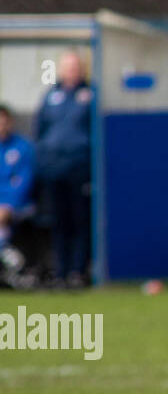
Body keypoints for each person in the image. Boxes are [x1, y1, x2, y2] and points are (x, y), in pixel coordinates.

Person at [34, 50, 95, 287]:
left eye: (75, 66)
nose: (72, 70)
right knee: (59, 223)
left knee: (79, 221)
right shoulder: (51, 95)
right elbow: (41, 130)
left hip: (79, 169)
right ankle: (60, 272)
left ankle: (78, 272)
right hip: (53, 170)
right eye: (68, 66)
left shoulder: (89, 95)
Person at [0, 104, 35, 276]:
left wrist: (9, 205)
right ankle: (7, 256)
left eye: (3, 121)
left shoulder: (23, 148)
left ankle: (12, 264)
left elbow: (24, 182)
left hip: (18, 206)